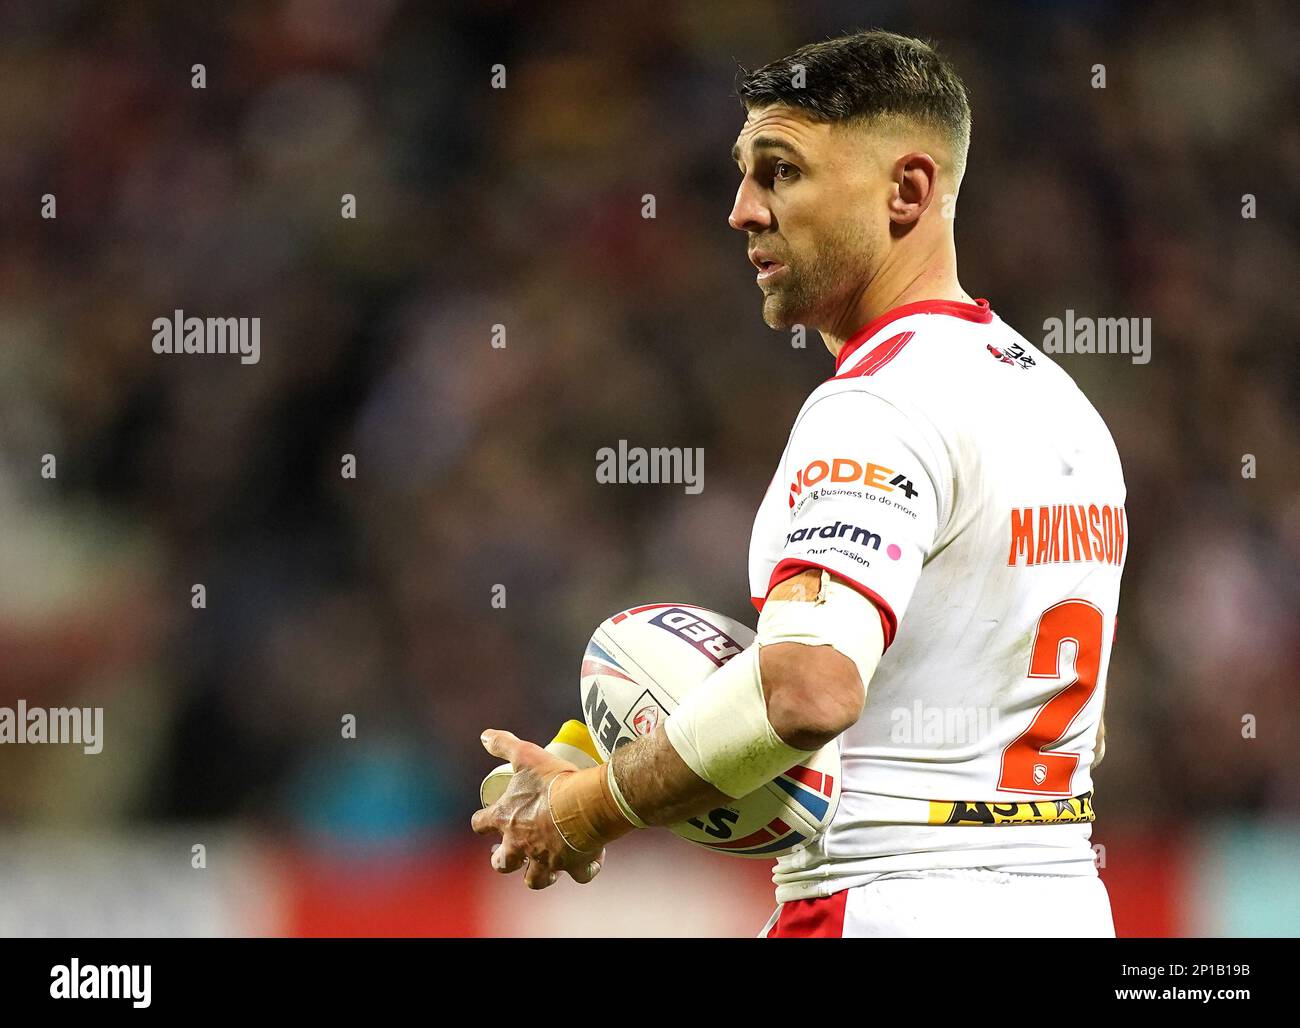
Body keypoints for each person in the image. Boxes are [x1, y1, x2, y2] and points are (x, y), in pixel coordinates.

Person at [472, 29, 1125, 938]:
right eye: (743, 174)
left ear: (908, 190)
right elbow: (1068, 722)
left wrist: (594, 806)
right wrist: (598, 745)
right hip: (1064, 899)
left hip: (888, 901)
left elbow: (809, 692)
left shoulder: (878, 405)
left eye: (780, 172)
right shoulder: (1063, 408)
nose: (741, 210)